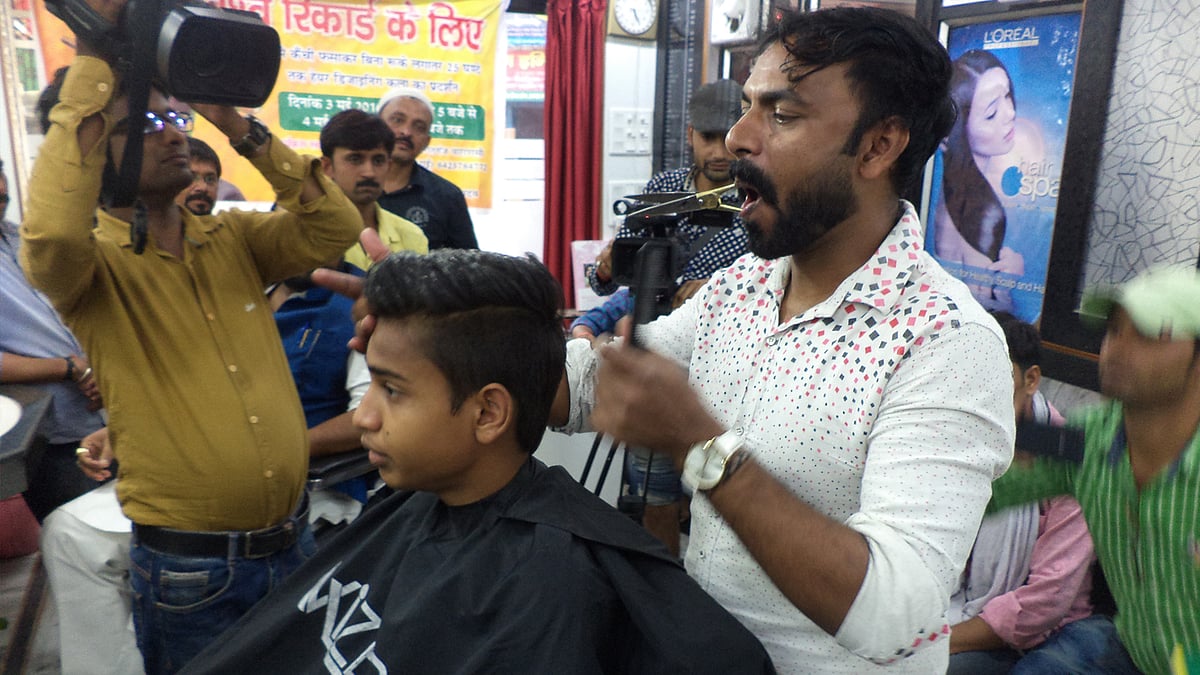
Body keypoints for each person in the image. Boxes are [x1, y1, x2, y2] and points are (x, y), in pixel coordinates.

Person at [552, 8, 1014, 671]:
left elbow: (898, 612)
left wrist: (702, 445)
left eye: (782, 114)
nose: (738, 137)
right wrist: (446, 339)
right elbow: (597, 380)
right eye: (745, 107)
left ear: (879, 146)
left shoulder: (946, 339)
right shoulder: (746, 283)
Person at [178, 250, 774, 673]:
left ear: (489, 413)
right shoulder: (410, 508)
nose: (363, 417)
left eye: (392, 390)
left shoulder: (554, 586)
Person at [20, 24, 361, 673]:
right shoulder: (91, 271)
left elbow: (335, 227)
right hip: (191, 576)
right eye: (149, 121)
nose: (176, 133)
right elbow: (54, 236)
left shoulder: (230, 239)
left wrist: (232, 121)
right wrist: (95, 60)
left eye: (175, 116)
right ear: (99, 155)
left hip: (293, 544)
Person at [988, 264, 1200, 675]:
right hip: (1141, 649)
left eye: (1153, 334)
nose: (1118, 348)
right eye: (1115, 330)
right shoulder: (1084, 438)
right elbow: (980, 488)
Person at [948, 311, 1115, 673]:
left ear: (1031, 380)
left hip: (1038, 634)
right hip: (952, 606)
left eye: (995, 381)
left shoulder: (1066, 453)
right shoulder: (953, 437)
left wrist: (936, 643)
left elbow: (1045, 603)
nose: (979, 398)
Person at [0, 158, 106, 522]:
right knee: (85, 537)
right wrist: (69, 368)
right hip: (51, 434)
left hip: (105, 411)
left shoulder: (19, 238)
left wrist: (99, 364)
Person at [587, 78, 749, 308]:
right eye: (707, 138)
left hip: (720, 330)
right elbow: (603, 282)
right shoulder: (662, 187)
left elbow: (774, 280)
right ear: (690, 134)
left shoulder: (755, 200)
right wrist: (606, 269)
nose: (718, 153)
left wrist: (720, 289)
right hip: (651, 322)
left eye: (726, 138)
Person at [933, 50, 1026, 312]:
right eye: (992, 112)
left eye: (1007, 96)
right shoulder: (982, 212)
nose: (1009, 113)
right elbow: (986, 311)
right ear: (955, 129)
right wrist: (1009, 280)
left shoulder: (950, 192)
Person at [319, 108, 427, 270]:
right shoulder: (308, 232)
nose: (369, 173)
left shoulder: (412, 236)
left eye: (378, 161)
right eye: (355, 159)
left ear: (388, 165)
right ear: (327, 167)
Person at [375, 87, 478, 250]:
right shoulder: (348, 184)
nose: (406, 132)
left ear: (427, 141)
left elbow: (468, 267)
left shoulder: (447, 196)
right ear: (376, 125)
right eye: (397, 120)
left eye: (419, 127)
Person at [174, 137, 221, 216]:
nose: (203, 188)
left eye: (210, 179)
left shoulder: (231, 226)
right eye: (191, 178)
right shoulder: (148, 227)